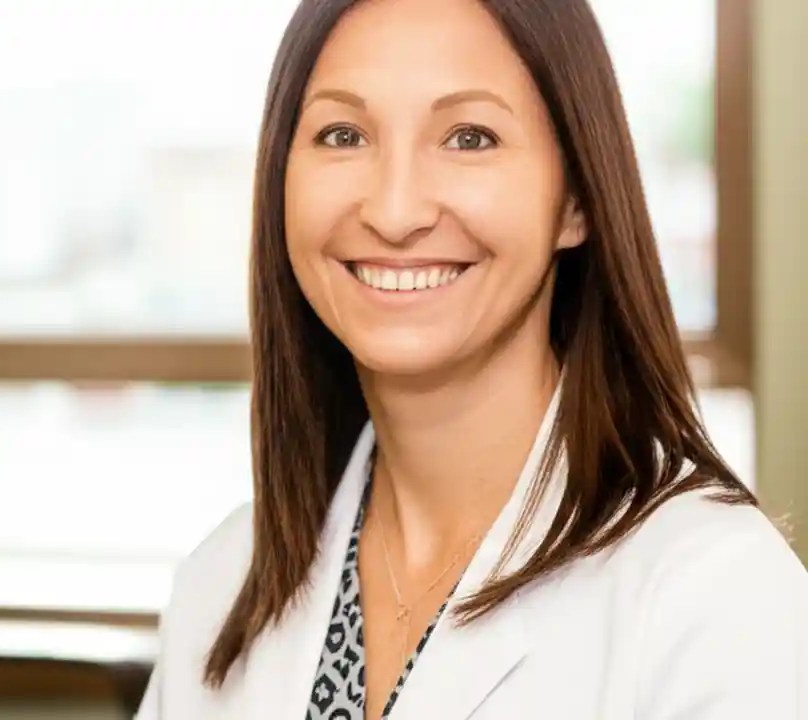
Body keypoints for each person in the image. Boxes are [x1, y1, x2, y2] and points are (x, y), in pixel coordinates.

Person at [134, 0, 808, 718]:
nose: (395, 212)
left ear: (576, 199)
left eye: (468, 137)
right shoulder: (222, 582)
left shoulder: (713, 596)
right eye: (343, 134)